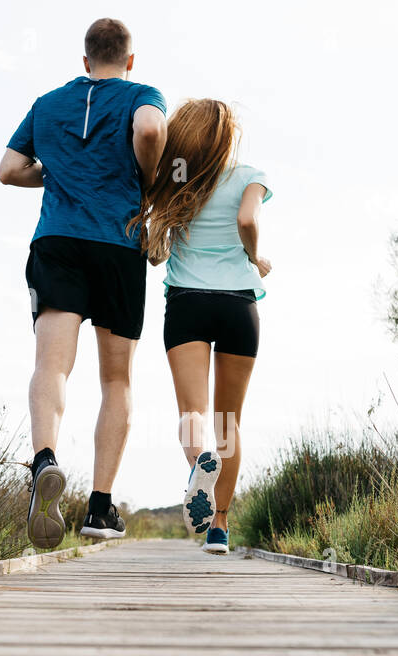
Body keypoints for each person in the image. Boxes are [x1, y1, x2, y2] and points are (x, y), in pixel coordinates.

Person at [0, 18, 167, 548]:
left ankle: (44, 459)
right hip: (118, 245)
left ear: (85, 60)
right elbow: (149, 131)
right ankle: (99, 507)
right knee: (116, 380)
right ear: (130, 58)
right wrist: (149, 180)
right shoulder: (144, 92)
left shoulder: (47, 104)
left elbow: (8, 169)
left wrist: (59, 171)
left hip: (58, 242)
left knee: (51, 364)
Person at [130, 99, 271, 556]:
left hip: (188, 302)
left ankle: (198, 466)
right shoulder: (251, 175)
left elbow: (154, 254)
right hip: (238, 306)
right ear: (227, 137)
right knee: (228, 422)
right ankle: (220, 528)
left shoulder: (176, 176)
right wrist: (254, 256)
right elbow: (247, 220)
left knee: (193, 414)